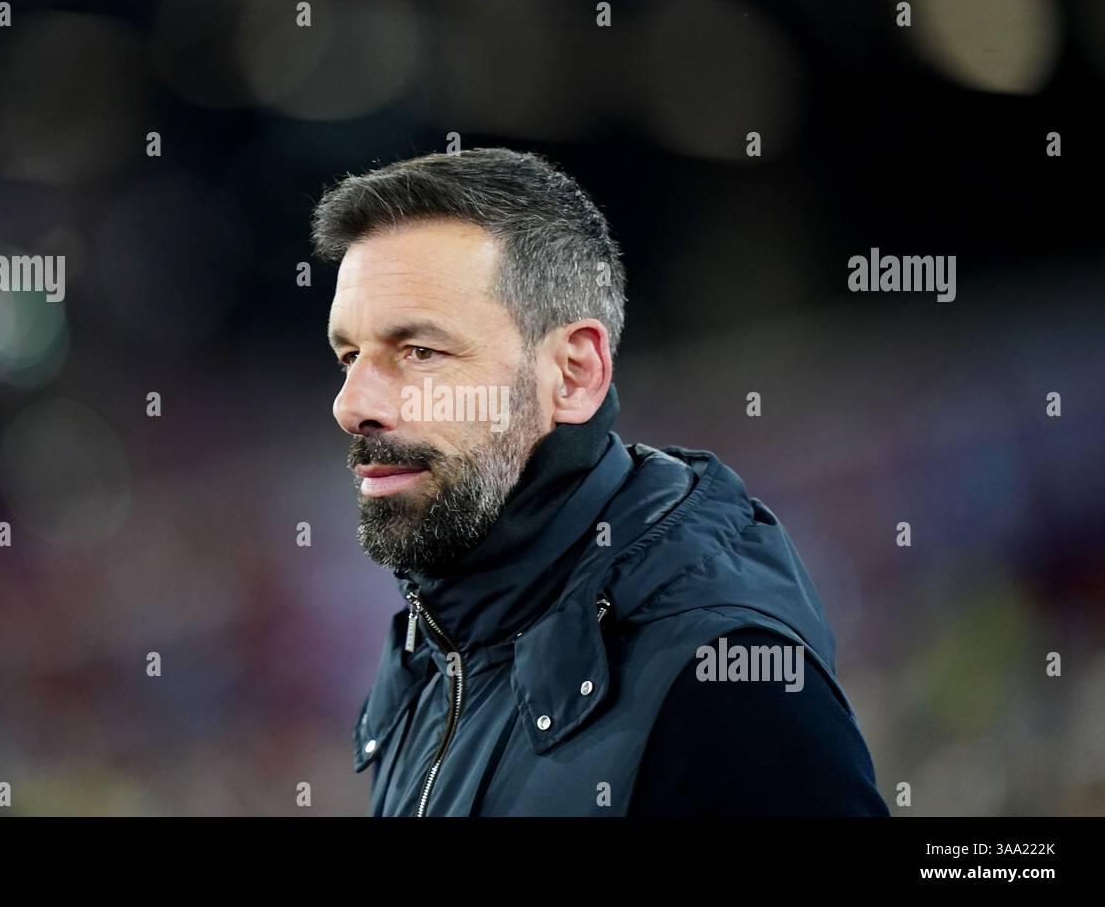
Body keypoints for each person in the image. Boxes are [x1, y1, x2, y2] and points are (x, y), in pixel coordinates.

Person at [314, 147, 889, 816]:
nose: (352, 405)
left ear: (574, 374)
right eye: (350, 355)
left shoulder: (721, 680)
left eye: (420, 352)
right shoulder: (436, 659)